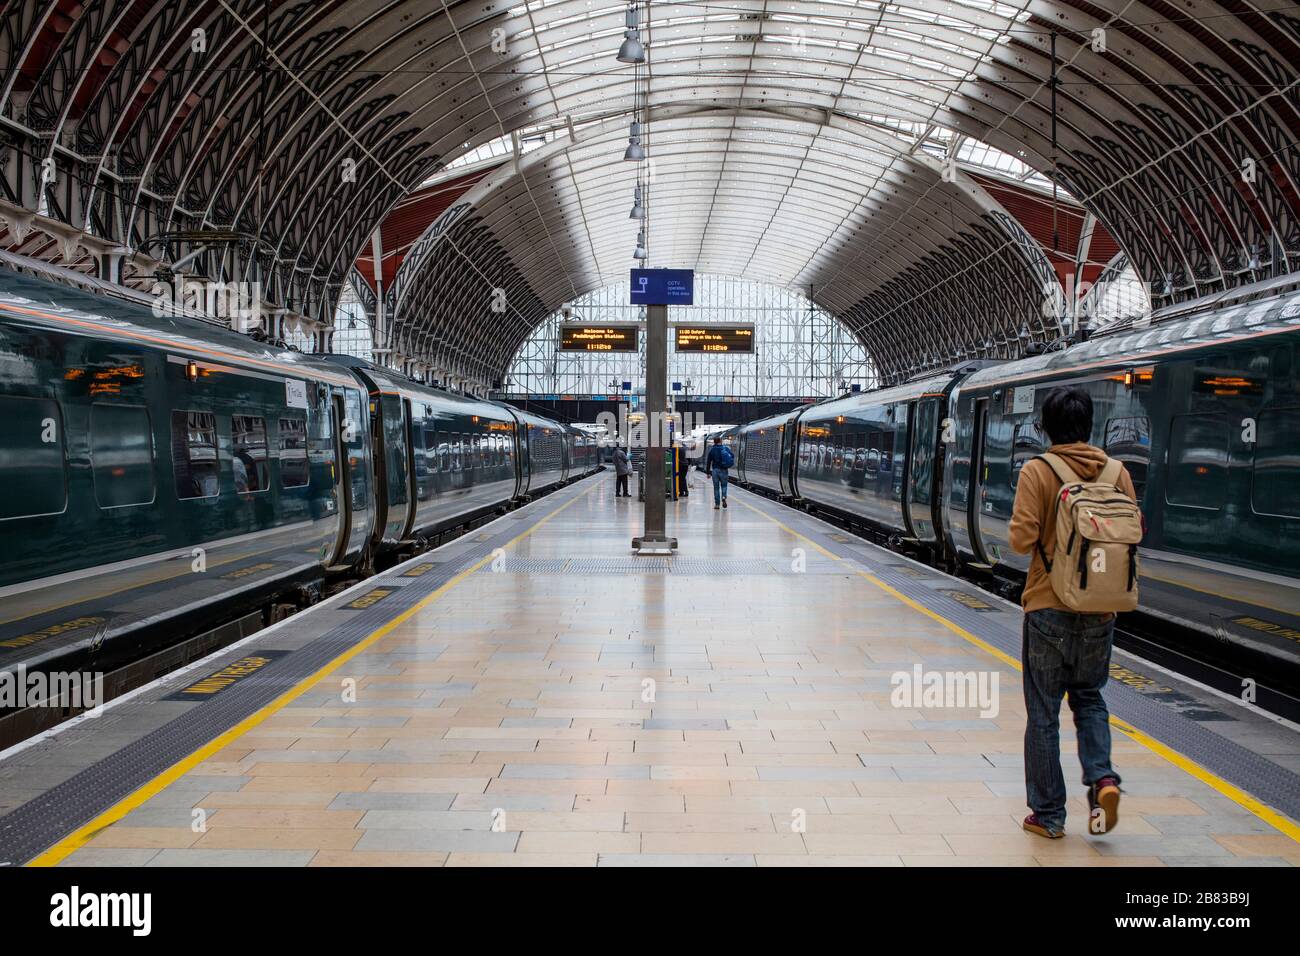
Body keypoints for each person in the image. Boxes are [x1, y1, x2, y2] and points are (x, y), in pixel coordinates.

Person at [1008, 385, 1137, 841]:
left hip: (1048, 606)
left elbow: (1021, 540)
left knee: (1043, 713)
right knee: (1089, 697)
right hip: (1102, 609)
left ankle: (1048, 815)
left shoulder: (1038, 471)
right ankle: (1103, 780)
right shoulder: (1117, 472)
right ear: (1089, 426)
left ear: (1046, 428)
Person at [704, 436, 733, 509]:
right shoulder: (725, 448)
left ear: (714, 442)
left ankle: (717, 504)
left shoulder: (712, 450)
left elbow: (708, 462)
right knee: (724, 485)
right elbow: (732, 456)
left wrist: (708, 473)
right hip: (724, 470)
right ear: (720, 441)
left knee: (716, 488)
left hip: (715, 471)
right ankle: (723, 497)